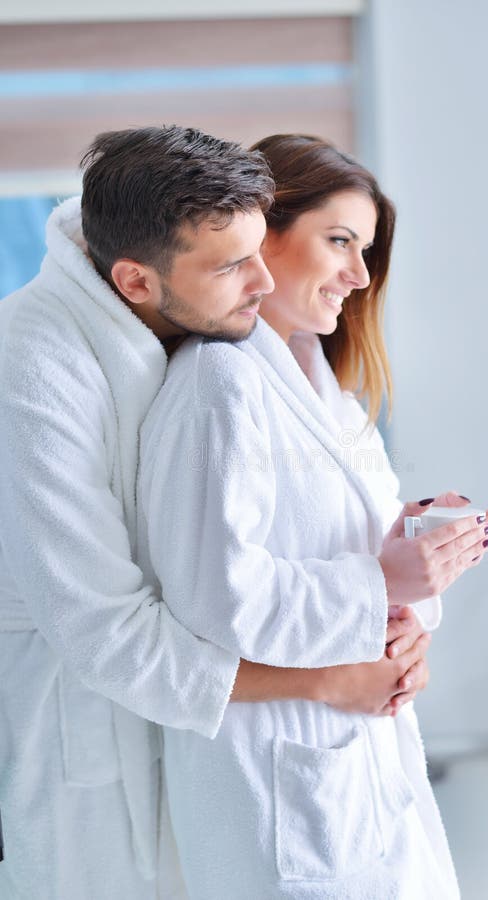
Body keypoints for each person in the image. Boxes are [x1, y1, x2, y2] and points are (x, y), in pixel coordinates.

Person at [0, 126, 432, 900]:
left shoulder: (181, 309)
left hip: (197, 729)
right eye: (234, 265)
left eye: (258, 249)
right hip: (80, 731)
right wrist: (324, 681)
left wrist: (390, 627)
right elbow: (103, 632)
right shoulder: (33, 368)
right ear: (135, 281)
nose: (262, 282)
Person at [137, 133, 488, 898]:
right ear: (259, 233)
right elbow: (215, 598)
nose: (359, 275)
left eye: (364, 251)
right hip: (272, 779)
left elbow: (371, 564)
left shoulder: (330, 396)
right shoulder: (219, 384)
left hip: (353, 759)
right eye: (339, 241)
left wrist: (408, 624)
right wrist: (380, 583)